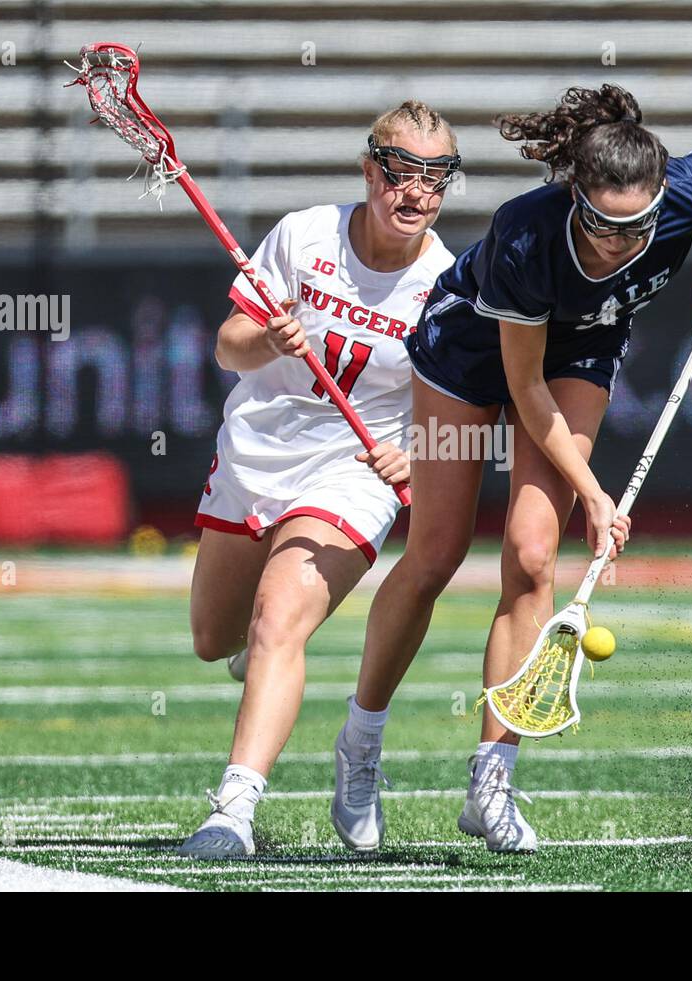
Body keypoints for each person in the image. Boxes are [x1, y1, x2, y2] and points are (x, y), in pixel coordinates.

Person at [351, 84, 692, 852]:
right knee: (434, 553)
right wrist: (596, 494)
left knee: (533, 558)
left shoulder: (678, 200)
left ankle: (491, 779)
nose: (619, 242)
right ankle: (361, 745)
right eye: (599, 223)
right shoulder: (527, 237)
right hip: (469, 353)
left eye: (636, 227)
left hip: (579, 351)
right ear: (574, 197)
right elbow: (523, 389)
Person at [178, 102, 461, 857]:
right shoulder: (305, 235)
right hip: (256, 454)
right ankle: (255, 655)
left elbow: (464, 411)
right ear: (372, 169)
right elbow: (228, 348)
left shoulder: (448, 286)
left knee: (279, 617)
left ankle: (232, 811)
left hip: (352, 474)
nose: (417, 194)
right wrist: (269, 336)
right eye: (403, 172)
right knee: (215, 638)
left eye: (437, 179)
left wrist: (419, 454)